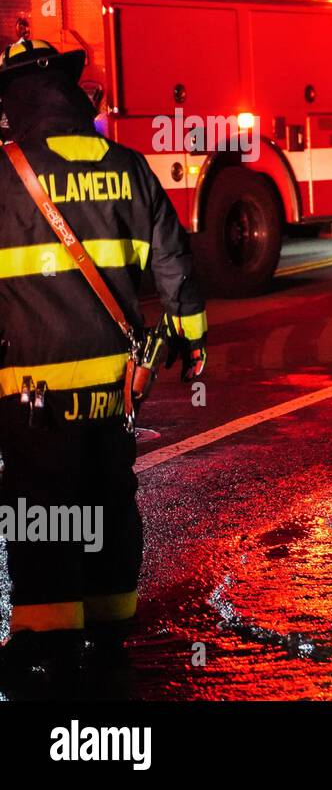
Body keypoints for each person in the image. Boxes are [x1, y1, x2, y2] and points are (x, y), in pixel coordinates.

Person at [0, 38, 206, 677]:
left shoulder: (6, 173)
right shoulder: (129, 165)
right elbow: (173, 263)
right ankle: (113, 619)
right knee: (110, 493)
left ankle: (47, 636)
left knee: (42, 503)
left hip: (34, 386)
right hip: (118, 384)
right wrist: (191, 342)